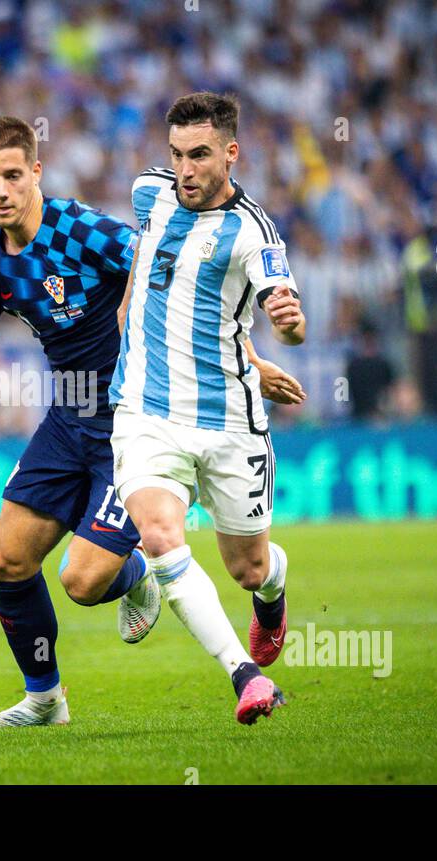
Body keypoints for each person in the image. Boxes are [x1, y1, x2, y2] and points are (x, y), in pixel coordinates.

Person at [0, 116, 304, 728]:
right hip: (67, 419)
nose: (0, 191)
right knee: (6, 561)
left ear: (35, 172)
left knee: (83, 582)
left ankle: (139, 572)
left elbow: (175, 287)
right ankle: (45, 700)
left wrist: (251, 360)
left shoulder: (82, 230)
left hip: (131, 416)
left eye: (13, 175)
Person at [110, 92, 307, 723]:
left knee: (246, 569)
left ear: (230, 152)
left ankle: (272, 596)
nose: (184, 169)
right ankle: (242, 676)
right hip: (144, 410)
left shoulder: (253, 231)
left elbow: (287, 313)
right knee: (162, 538)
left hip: (227, 418)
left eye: (198, 155)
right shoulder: (150, 192)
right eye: (175, 155)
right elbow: (150, 275)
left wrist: (287, 326)